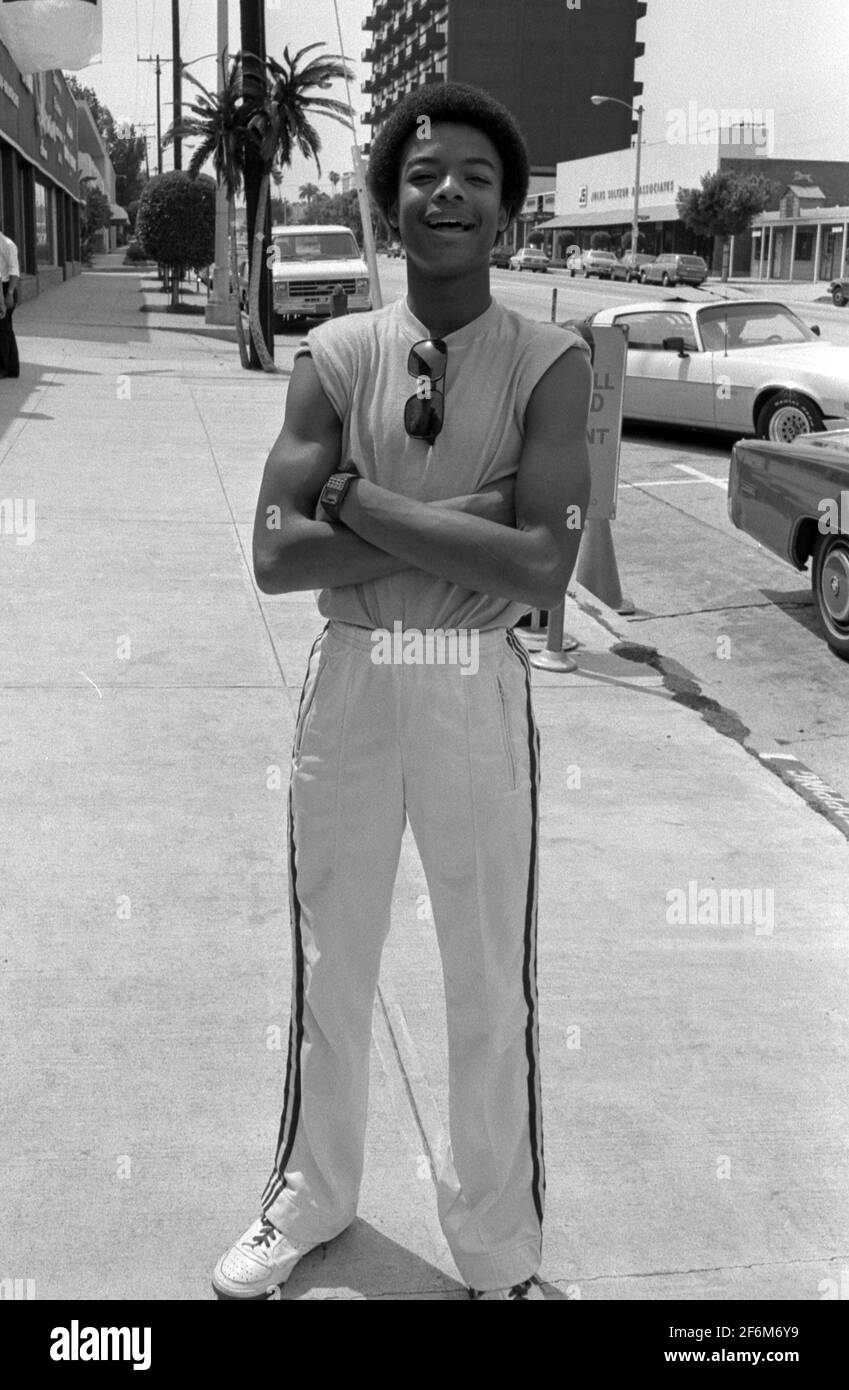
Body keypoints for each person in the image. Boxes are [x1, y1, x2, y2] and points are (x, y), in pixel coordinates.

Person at [213, 82, 592, 1302]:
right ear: (390, 202)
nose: (448, 193)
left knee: (488, 977)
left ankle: (498, 1249)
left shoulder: (551, 363)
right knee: (334, 957)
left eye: (476, 177)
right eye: (425, 175)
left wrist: (362, 503)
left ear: (507, 212)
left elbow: (541, 568)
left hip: (472, 685)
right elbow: (277, 556)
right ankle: (312, 1196)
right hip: (357, 679)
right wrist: (472, 520)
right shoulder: (335, 357)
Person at [0, 227, 21, 379]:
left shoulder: (8, 244)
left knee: (3, 329)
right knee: (5, 328)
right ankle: (11, 368)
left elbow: (14, 272)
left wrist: (9, 294)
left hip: (6, 288)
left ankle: (5, 368)